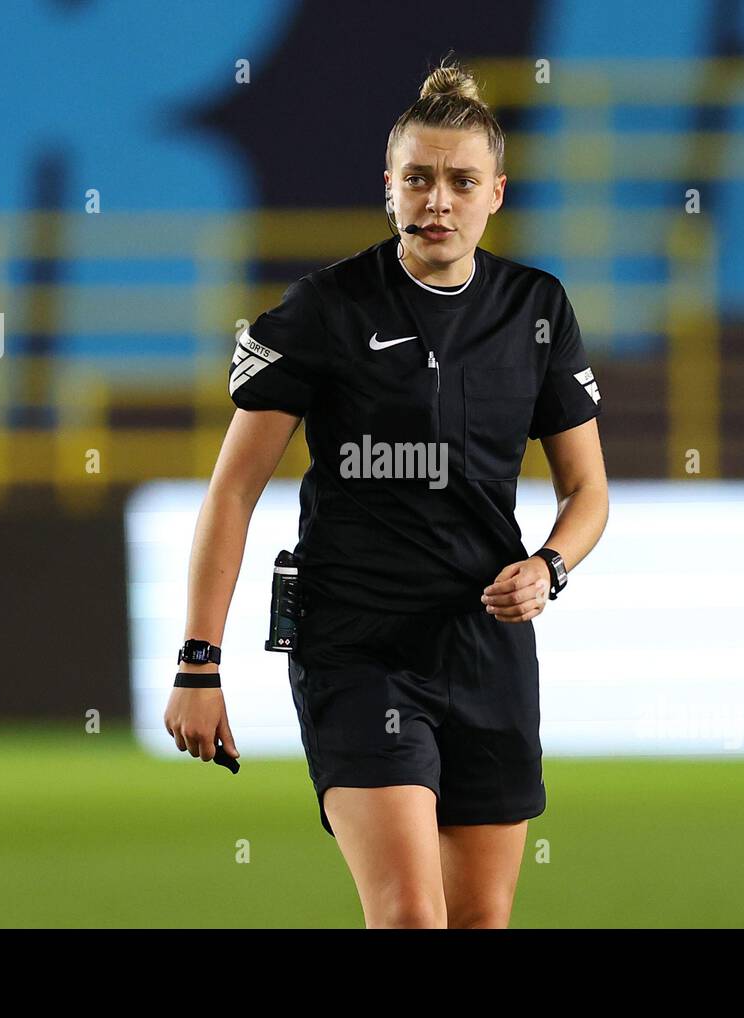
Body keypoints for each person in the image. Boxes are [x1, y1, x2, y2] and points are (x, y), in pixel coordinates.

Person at [164, 56, 608, 928]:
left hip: (487, 649)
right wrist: (198, 662)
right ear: (389, 186)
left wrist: (550, 566)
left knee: (480, 919)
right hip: (357, 647)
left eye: (460, 181)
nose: (437, 200)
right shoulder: (324, 310)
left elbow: (587, 489)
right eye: (418, 179)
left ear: (497, 194)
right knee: (411, 915)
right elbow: (232, 493)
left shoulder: (538, 309)